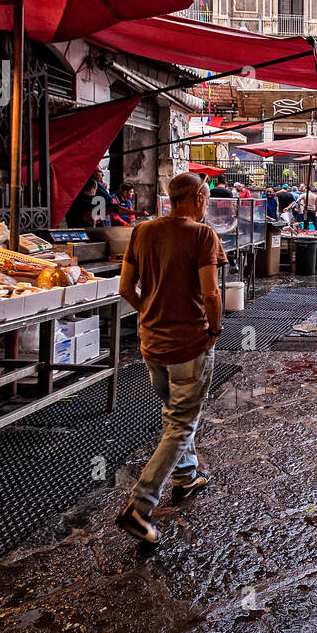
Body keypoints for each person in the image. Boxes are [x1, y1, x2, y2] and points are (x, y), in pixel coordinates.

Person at [116, 173, 225, 543]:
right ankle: (139, 505)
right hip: (188, 344)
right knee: (181, 423)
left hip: (152, 344)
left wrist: (149, 310)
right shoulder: (202, 234)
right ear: (197, 198)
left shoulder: (142, 231)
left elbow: (125, 289)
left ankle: (186, 477)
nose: (206, 206)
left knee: (174, 413)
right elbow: (211, 294)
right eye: (206, 199)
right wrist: (213, 331)